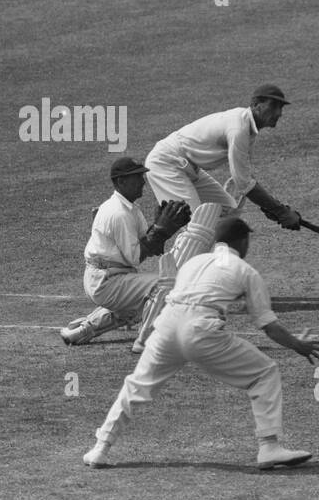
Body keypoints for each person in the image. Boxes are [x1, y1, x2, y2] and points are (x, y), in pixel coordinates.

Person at [83, 216, 319, 470]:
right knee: (265, 373)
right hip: (201, 330)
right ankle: (269, 447)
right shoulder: (245, 270)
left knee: (136, 386)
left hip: (165, 326)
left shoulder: (193, 262)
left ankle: (100, 448)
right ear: (242, 241)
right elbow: (269, 326)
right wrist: (298, 345)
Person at [130, 84, 303, 354]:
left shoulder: (247, 127)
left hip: (189, 167)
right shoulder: (238, 127)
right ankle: (169, 292)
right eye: (274, 106)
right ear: (256, 104)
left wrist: (274, 210)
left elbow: (244, 182)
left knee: (227, 211)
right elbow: (244, 182)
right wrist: (280, 211)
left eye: (281, 107)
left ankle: (207, 279)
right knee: (199, 226)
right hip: (168, 162)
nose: (279, 112)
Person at [59, 157, 190, 346]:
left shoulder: (129, 209)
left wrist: (161, 230)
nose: (143, 182)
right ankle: (146, 340)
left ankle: (81, 331)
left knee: (139, 304)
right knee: (164, 287)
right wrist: (160, 231)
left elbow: (148, 246)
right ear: (121, 182)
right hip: (106, 281)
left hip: (106, 276)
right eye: (137, 177)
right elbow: (135, 257)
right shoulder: (119, 213)